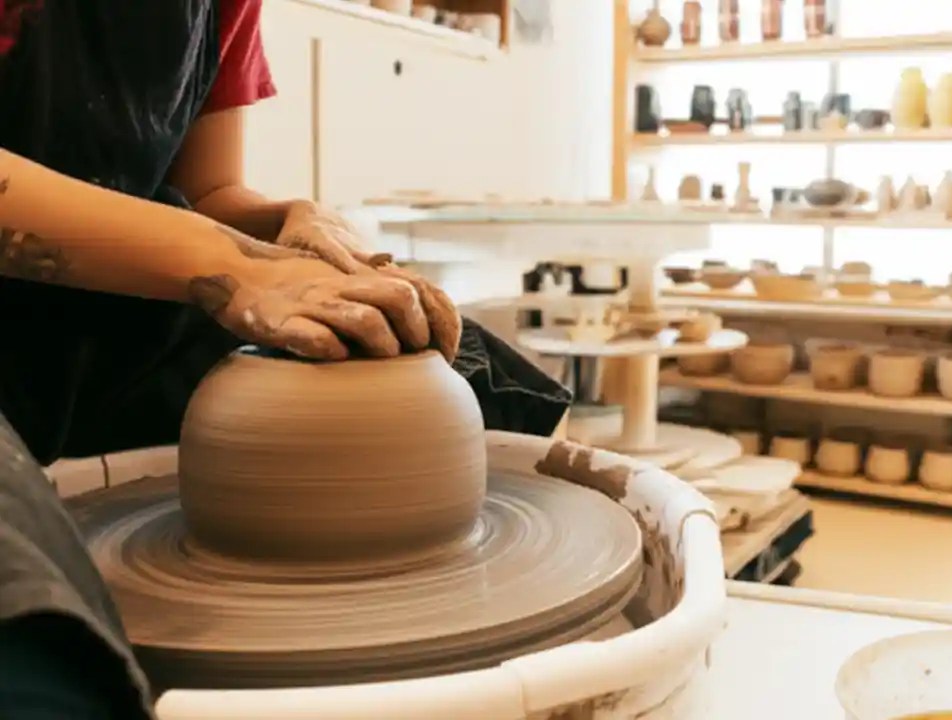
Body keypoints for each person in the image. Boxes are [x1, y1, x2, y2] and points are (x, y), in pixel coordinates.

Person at [0, 1, 569, 716]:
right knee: (38, 646)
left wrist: (287, 226)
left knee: (480, 393)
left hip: (118, 305)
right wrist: (227, 264)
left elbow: (209, 191)